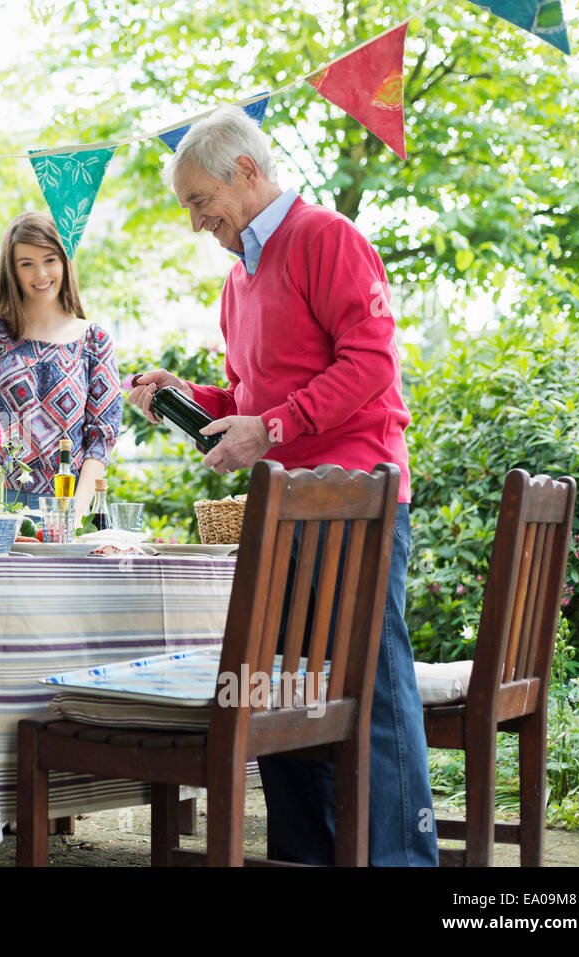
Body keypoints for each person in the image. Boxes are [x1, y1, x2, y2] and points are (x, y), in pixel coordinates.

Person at [128, 106, 438, 866]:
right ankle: (308, 858)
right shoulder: (239, 283)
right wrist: (188, 397)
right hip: (282, 509)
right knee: (281, 696)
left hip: (355, 504)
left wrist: (268, 428)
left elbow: (372, 366)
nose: (197, 220)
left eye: (201, 201)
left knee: (372, 695)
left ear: (246, 171)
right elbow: (248, 402)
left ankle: (403, 861)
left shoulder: (328, 238)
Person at [0, 211, 123, 516]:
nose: (40, 273)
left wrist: (75, 515)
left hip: (69, 506)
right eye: (26, 264)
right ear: (11, 271)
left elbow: (101, 438)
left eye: (50, 260)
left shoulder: (94, 341)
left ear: (65, 262)